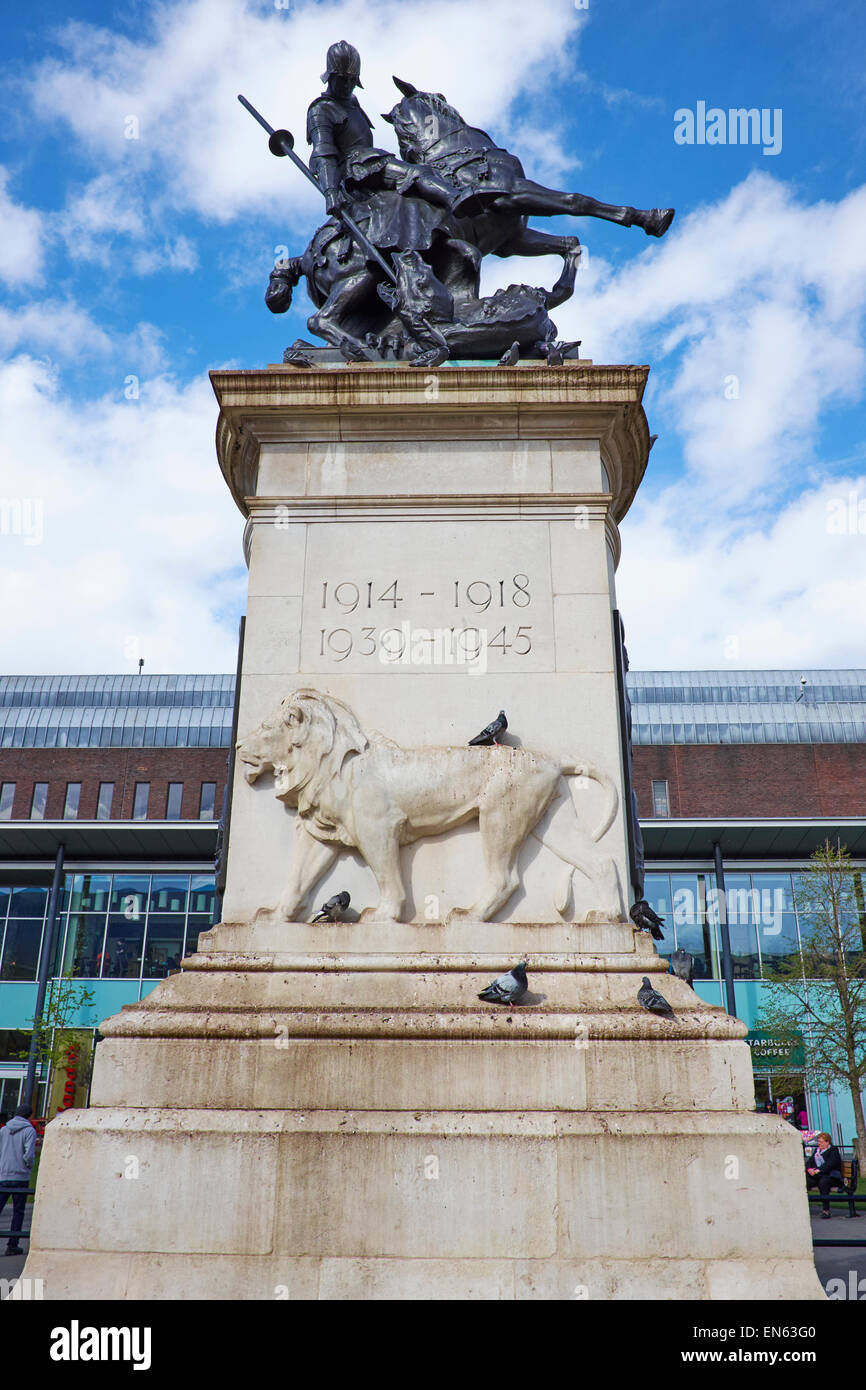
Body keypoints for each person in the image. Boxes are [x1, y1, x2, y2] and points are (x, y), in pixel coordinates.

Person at [0, 1102, 36, 1255]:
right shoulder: (29, 1131)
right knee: (18, 1211)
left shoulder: (4, 1130)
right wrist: (28, 1166)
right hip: (20, 1175)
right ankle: (12, 1244)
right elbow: (29, 1154)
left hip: (3, 1174)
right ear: (29, 1115)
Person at [805, 1132, 844, 1219]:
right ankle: (803, 1207)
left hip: (832, 1177)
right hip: (818, 1176)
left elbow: (831, 1164)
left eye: (821, 1142)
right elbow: (809, 1162)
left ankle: (826, 1211)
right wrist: (809, 1169)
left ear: (827, 1142)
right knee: (805, 1182)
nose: (819, 1144)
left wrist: (819, 1170)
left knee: (823, 1182)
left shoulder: (833, 1150)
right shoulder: (817, 1151)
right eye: (818, 1141)